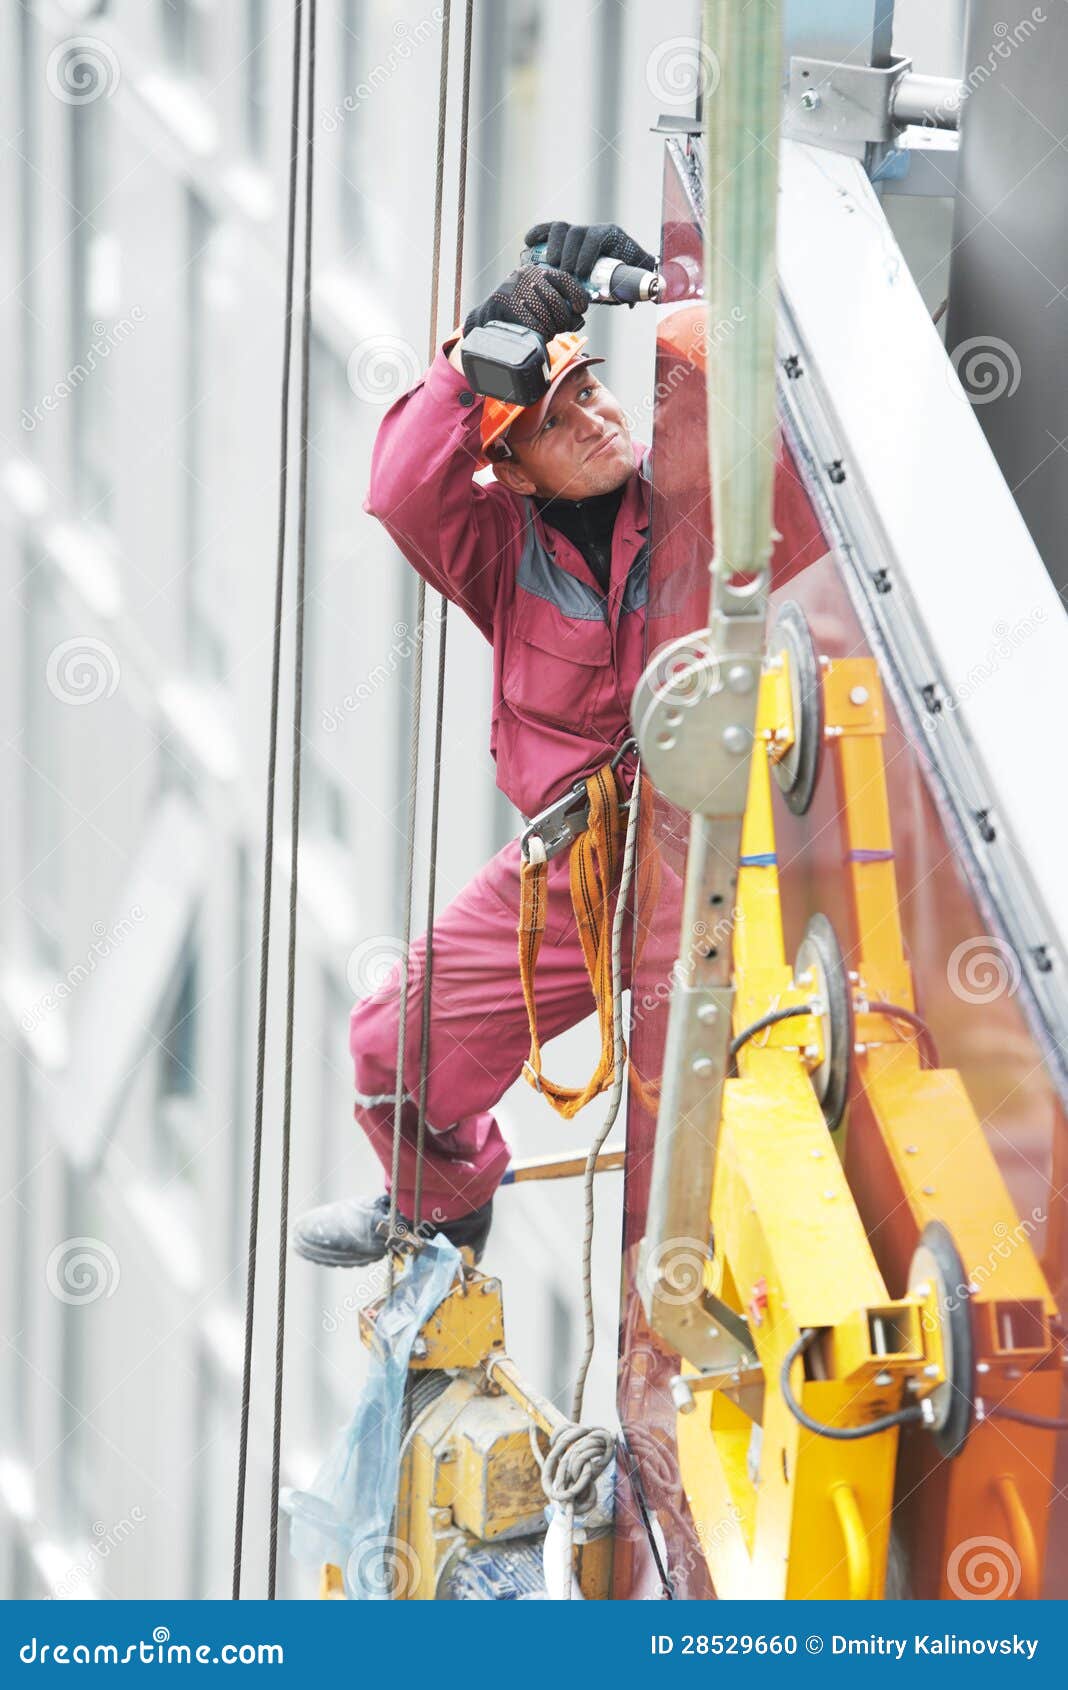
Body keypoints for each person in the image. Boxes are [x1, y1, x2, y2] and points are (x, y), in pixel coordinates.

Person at [291, 220, 659, 1268]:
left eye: (591, 392)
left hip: (724, 836)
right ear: (516, 469)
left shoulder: (686, 501)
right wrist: (475, 352)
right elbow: (404, 488)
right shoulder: (504, 555)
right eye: (557, 417)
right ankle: (445, 1204)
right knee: (389, 1051)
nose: (594, 418)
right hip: (585, 864)